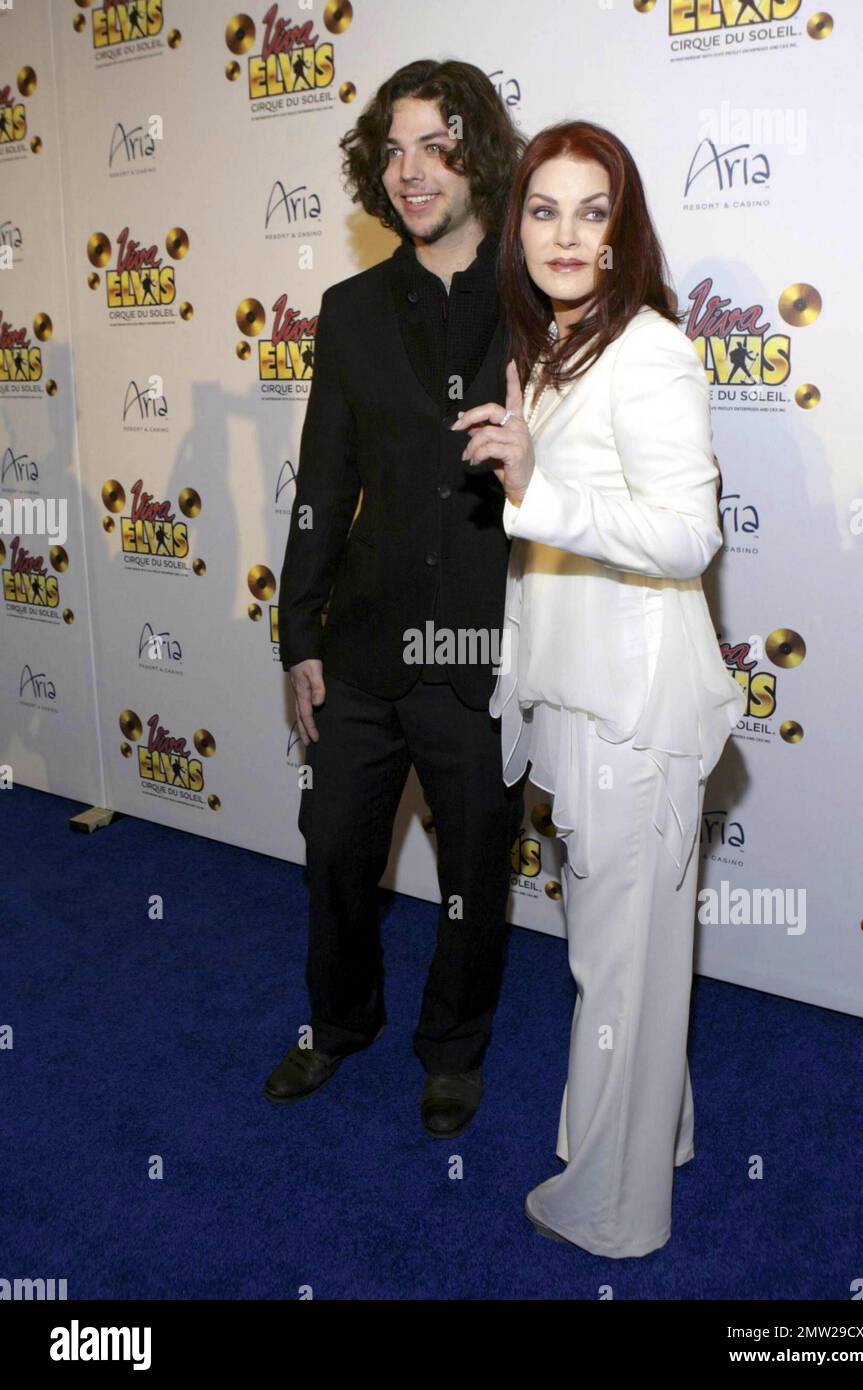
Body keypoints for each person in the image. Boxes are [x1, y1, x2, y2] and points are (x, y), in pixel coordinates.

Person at [452, 121, 742, 1256]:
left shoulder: (652, 350)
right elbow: (548, 559)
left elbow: (683, 537)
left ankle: (615, 1210)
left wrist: (535, 487)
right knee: (618, 951)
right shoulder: (562, 352)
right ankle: (648, 1141)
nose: (563, 234)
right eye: (541, 209)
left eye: (590, 212)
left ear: (621, 236)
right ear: (515, 224)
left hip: (632, 711)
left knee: (616, 959)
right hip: (580, 700)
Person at [264, 60, 527, 1139]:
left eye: (437, 144)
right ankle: (338, 1021)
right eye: (394, 149)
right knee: (333, 850)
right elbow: (323, 486)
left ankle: (451, 1050)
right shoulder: (349, 309)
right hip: (364, 643)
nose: (411, 171)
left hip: (481, 646)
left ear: (481, 156)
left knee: (472, 869)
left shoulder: (536, 305)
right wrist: (298, 634)